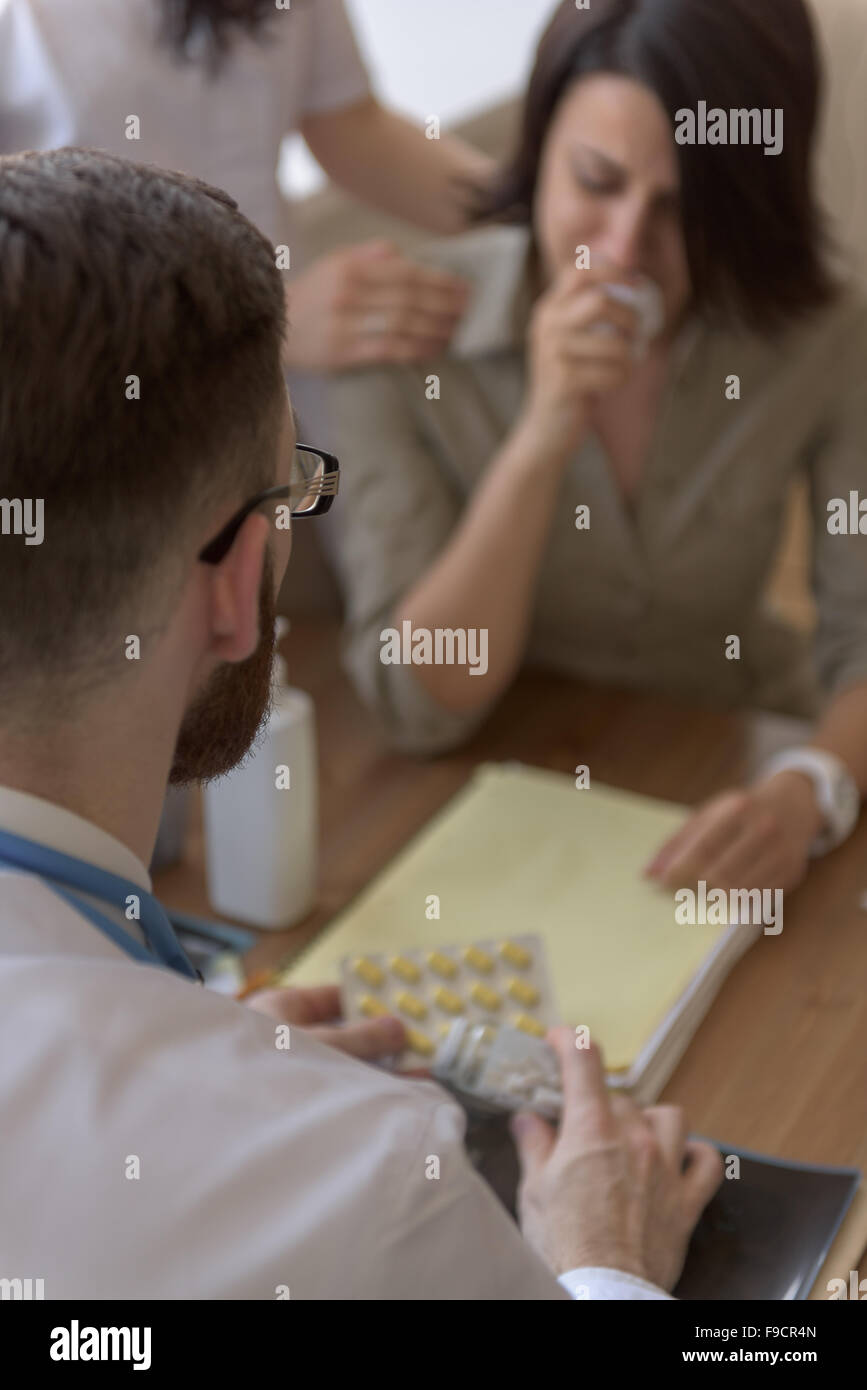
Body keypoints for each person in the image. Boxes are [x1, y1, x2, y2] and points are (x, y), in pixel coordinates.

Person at [0, 146, 721, 1300]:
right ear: (237, 580)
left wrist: (195, 1054)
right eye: (292, 492)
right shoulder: (372, 1184)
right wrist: (601, 1260)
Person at [329, 0, 867, 898]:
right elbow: (422, 704)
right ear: (537, 152)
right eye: (595, 180)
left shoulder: (821, 335)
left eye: (679, 209)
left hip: (722, 762)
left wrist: (809, 788)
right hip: (481, 800)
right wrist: (543, 434)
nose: (621, 248)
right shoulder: (410, 333)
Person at [0, 0, 487, 371]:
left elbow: (349, 125)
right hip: (107, 380)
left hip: (285, 361)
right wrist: (255, 324)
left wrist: (531, 201)